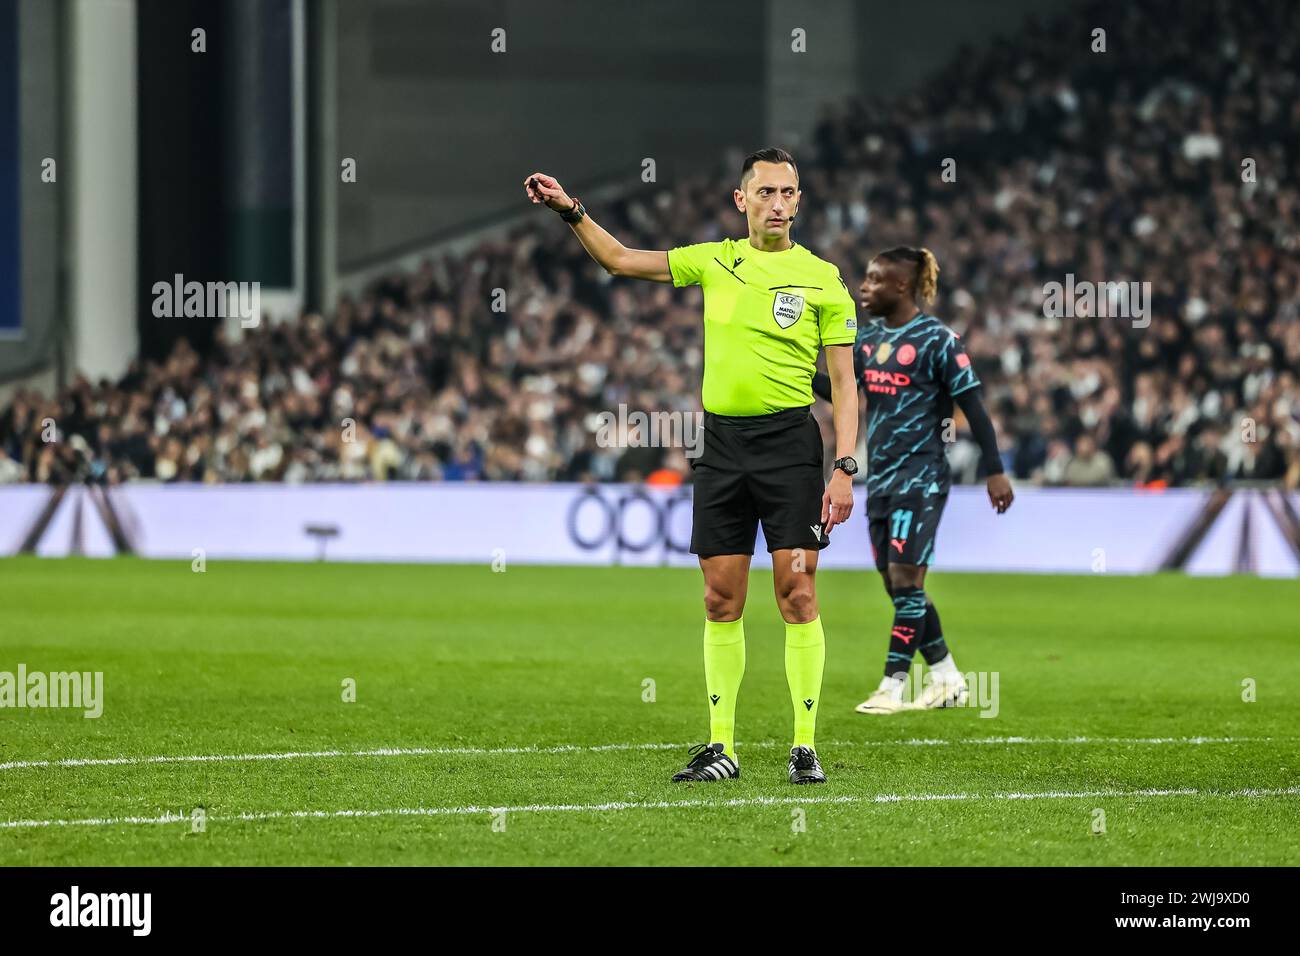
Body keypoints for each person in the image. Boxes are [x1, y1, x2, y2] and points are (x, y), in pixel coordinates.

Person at [523, 148, 859, 784]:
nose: (779, 204)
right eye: (766, 193)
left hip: (791, 446)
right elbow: (621, 259)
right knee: (719, 596)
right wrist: (572, 212)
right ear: (742, 201)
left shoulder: (823, 278)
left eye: (789, 193)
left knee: (797, 591)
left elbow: (844, 383)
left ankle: (804, 745)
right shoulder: (714, 260)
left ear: (799, 201)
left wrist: (844, 466)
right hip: (722, 447)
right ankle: (722, 745)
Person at [812, 247, 1012, 714]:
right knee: (897, 585)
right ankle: (947, 678)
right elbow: (841, 390)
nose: (863, 287)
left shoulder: (937, 339)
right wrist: (797, 374)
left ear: (900, 286)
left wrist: (995, 469)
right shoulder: (870, 339)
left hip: (921, 477)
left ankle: (892, 686)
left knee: (906, 579)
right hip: (880, 477)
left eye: (873, 279)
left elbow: (976, 409)